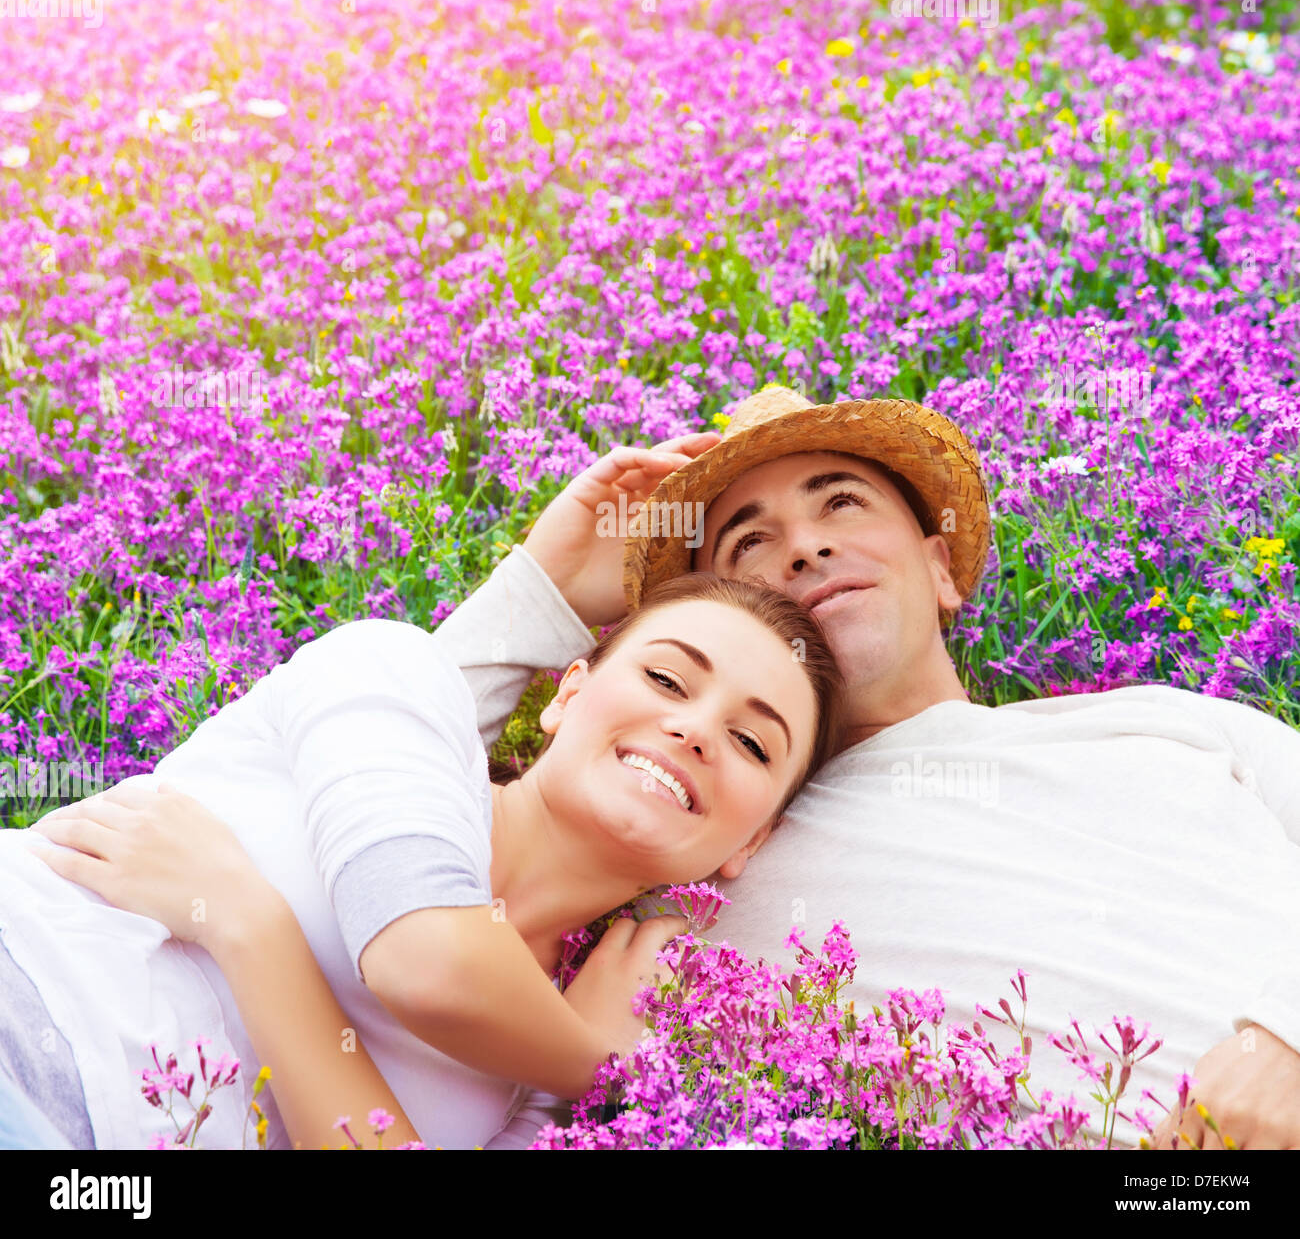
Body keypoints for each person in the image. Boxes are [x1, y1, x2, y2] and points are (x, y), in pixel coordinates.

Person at [427, 384, 1300, 1150]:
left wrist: (1283, 1041)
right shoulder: (701, 858)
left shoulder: (1166, 723)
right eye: (747, 545)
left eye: (841, 504)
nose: (802, 549)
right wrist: (538, 589)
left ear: (939, 569)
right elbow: (388, 821)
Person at [1, 568, 843, 1150]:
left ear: (750, 842)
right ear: (569, 695)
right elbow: (427, 964)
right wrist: (602, 1062)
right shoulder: (403, 683)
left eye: (749, 741)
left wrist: (248, 925)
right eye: (667, 680)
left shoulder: (543, 1078)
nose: (695, 730)